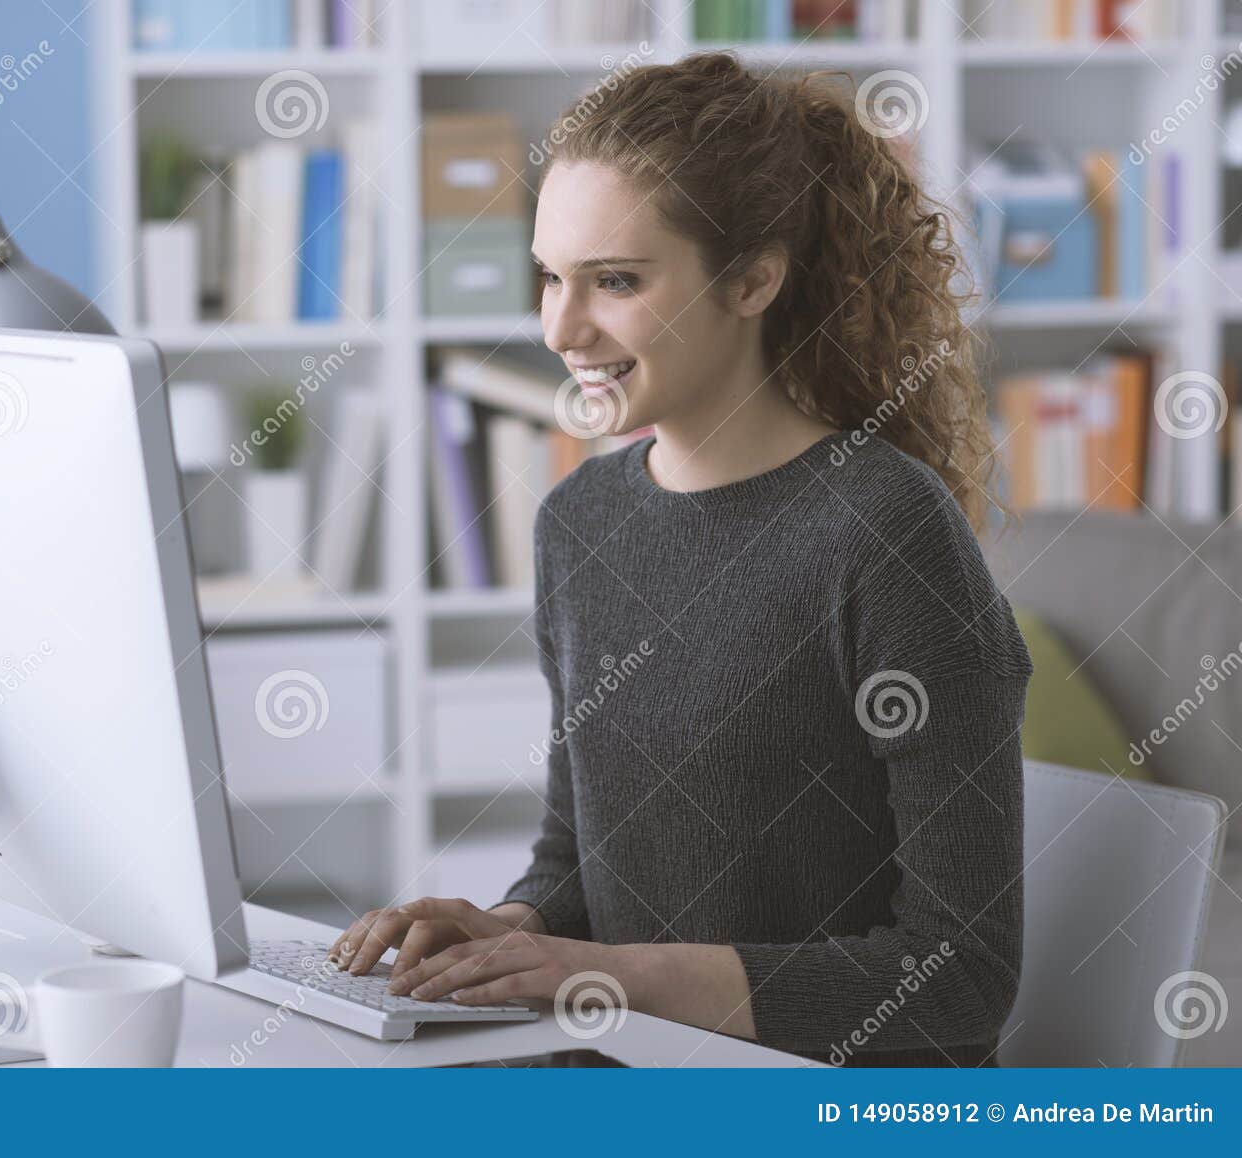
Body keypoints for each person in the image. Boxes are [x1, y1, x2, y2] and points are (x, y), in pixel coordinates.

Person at [333, 52, 1033, 1067]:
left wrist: (613, 977)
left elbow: (958, 981)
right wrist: (514, 930)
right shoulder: (577, 525)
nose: (560, 329)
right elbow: (580, 859)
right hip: (628, 1067)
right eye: (549, 278)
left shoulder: (884, 530)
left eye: (613, 281)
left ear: (753, 278)